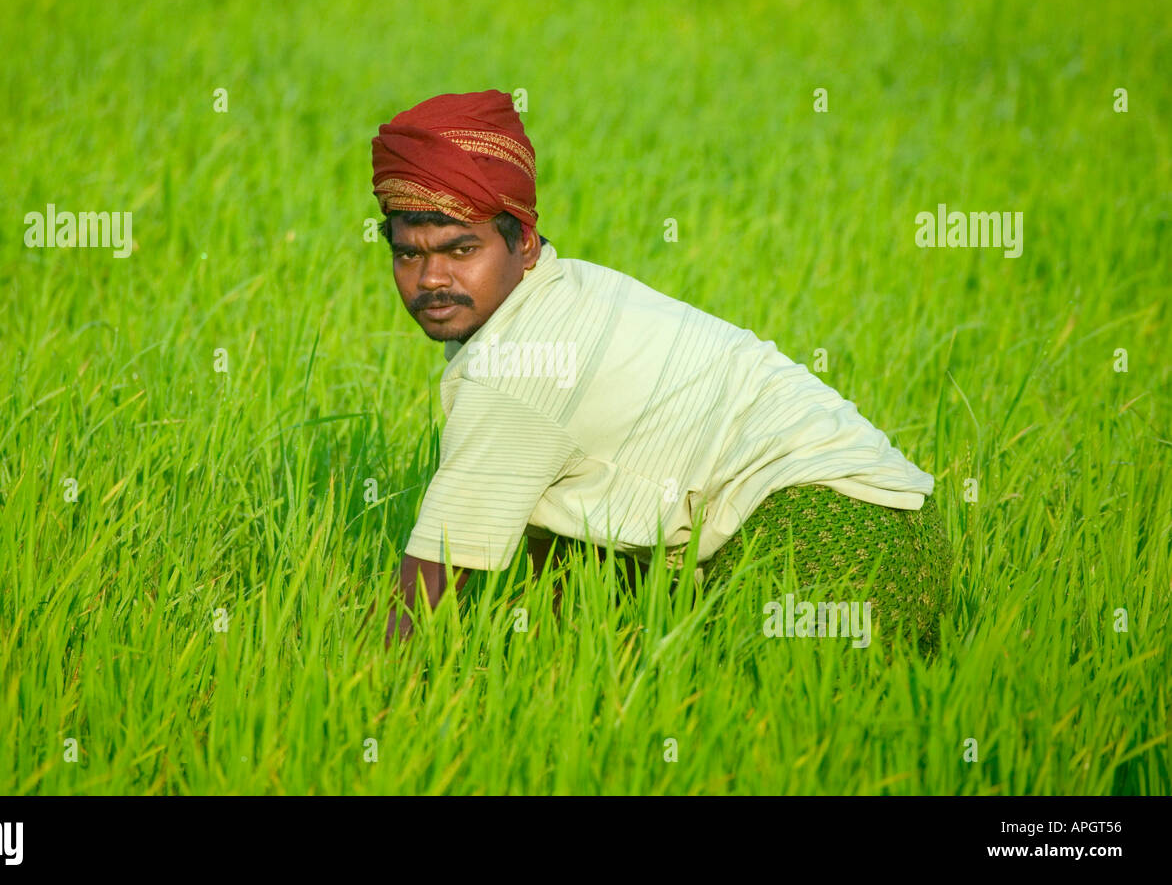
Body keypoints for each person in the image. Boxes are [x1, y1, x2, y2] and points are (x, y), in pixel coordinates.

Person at [372, 89, 953, 655]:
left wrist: (367, 666)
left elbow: (442, 564)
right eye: (409, 254)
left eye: (460, 250)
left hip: (836, 539)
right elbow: (576, 524)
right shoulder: (565, 294)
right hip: (901, 536)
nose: (431, 279)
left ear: (522, 242)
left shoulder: (520, 362)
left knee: (757, 720)